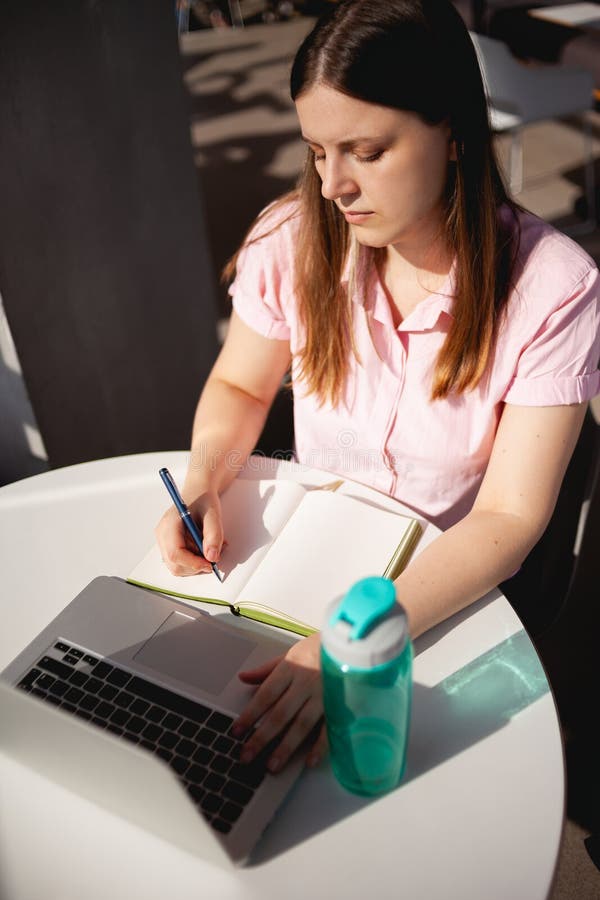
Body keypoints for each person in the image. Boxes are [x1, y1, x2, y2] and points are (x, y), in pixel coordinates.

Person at [156, 0, 600, 776]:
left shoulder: (553, 285)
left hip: (441, 587)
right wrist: (203, 479)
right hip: (299, 562)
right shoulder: (290, 238)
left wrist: (351, 638)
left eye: (364, 150)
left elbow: (511, 515)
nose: (332, 186)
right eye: (317, 151)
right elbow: (237, 384)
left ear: (453, 131)